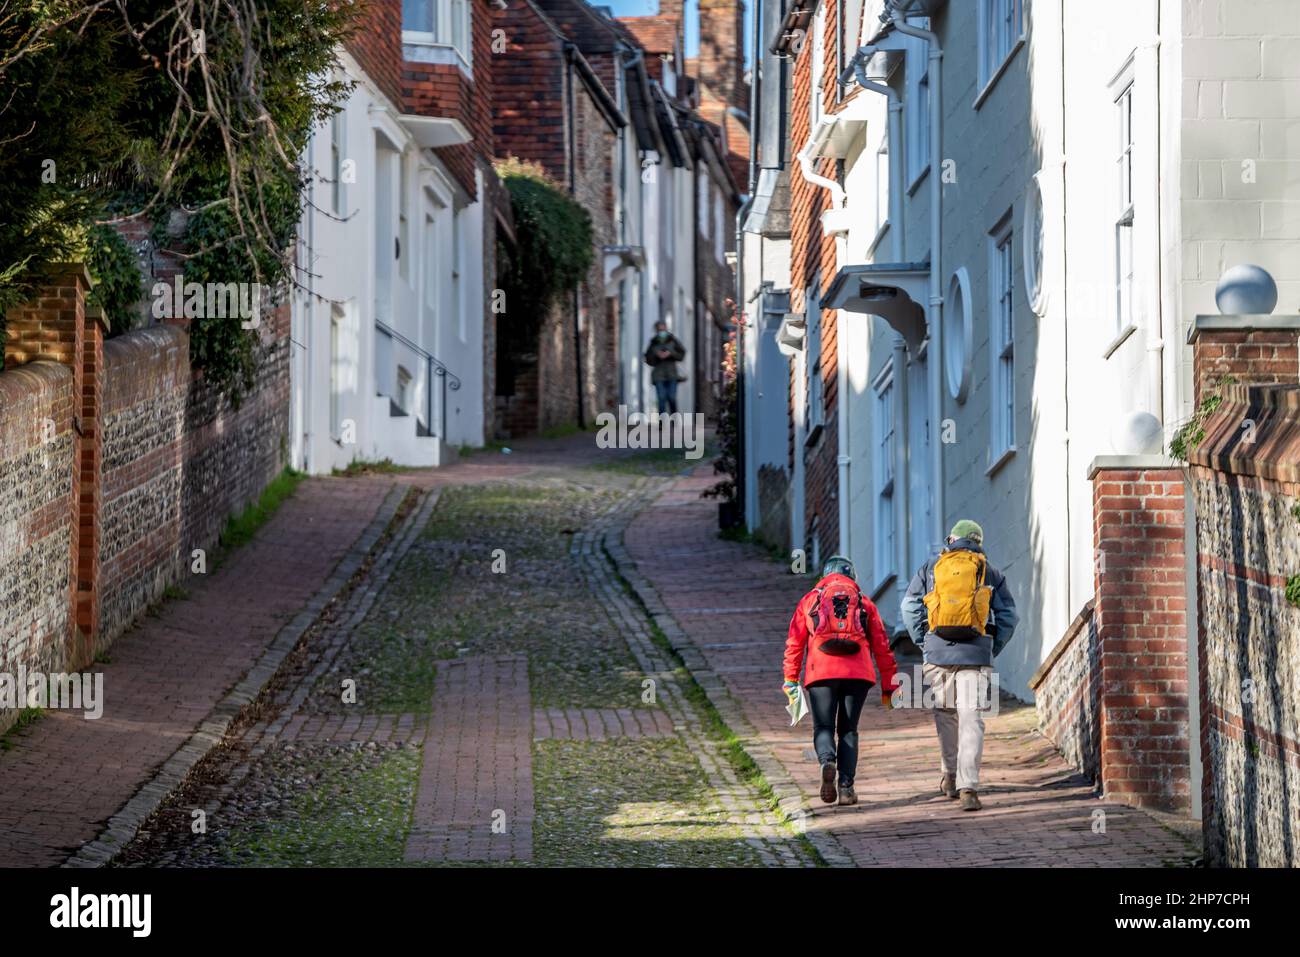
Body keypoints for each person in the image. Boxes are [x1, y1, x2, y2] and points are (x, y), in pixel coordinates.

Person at [900, 520, 1019, 812]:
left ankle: (949, 776)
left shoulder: (930, 568)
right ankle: (969, 787)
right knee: (972, 717)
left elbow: (909, 607)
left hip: (937, 652)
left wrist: (922, 641)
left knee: (945, 714)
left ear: (951, 539)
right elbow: (1009, 616)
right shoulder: (989, 571)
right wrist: (993, 646)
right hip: (975, 654)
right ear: (978, 541)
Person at [782, 555, 899, 806]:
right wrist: (890, 686)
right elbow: (882, 647)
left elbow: (795, 642)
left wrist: (790, 679)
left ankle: (827, 761)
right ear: (852, 577)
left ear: (825, 575)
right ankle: (846, 788)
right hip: (857, 675)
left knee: (823, 727)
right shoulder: (865, 603)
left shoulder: (809, 601)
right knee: (848, 729)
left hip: (820, 672)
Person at [643, 321, 686, 414]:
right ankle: (662, 422)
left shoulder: (673, 340)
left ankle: (674, 419)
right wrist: (656, 354)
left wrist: (671, 353)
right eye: (660, 330)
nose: (662, 331)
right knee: (661, 398)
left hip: (672, 374)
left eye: (663, 329)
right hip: (659, 375)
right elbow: (648, 359)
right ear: (656, 330)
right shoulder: (653, 343)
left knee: (671, 397)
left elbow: (681, 355)